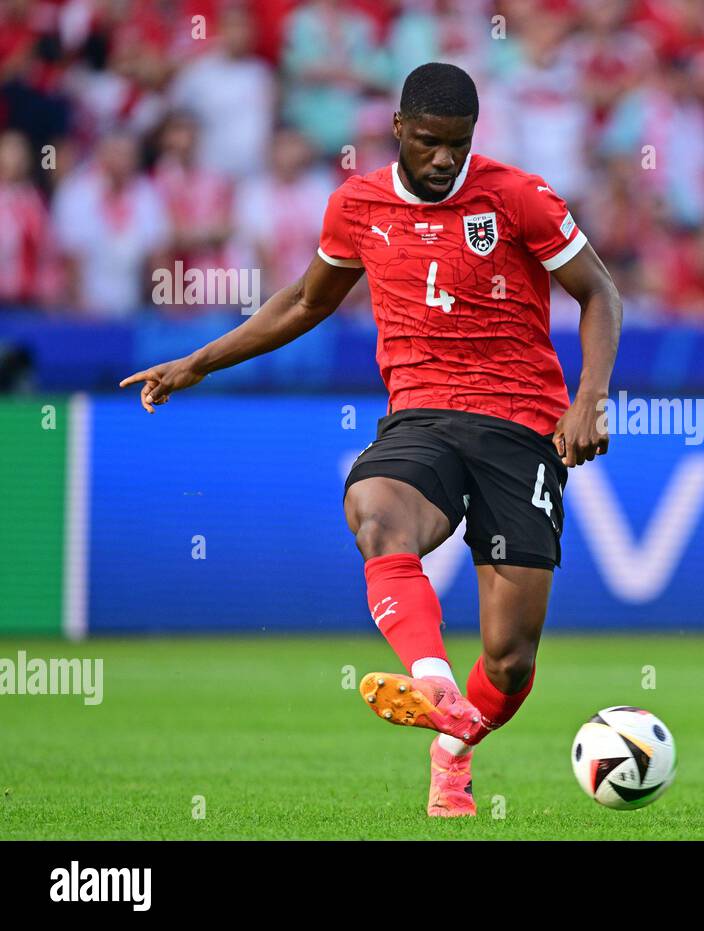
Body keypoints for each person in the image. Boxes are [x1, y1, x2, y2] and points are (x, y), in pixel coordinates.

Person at [120, 63, 623, 817]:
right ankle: (433, 681)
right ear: (397, 130)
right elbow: (301, 302)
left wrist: (591, 400)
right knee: (375, 508)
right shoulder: (357, 206)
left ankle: (452, 745)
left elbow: (600, 292)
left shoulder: (519, 196)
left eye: (458, 143)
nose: (444, 158)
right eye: (428, 142)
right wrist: (198, 362)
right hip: (421, 414)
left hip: (521, 424)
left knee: (511, 658)